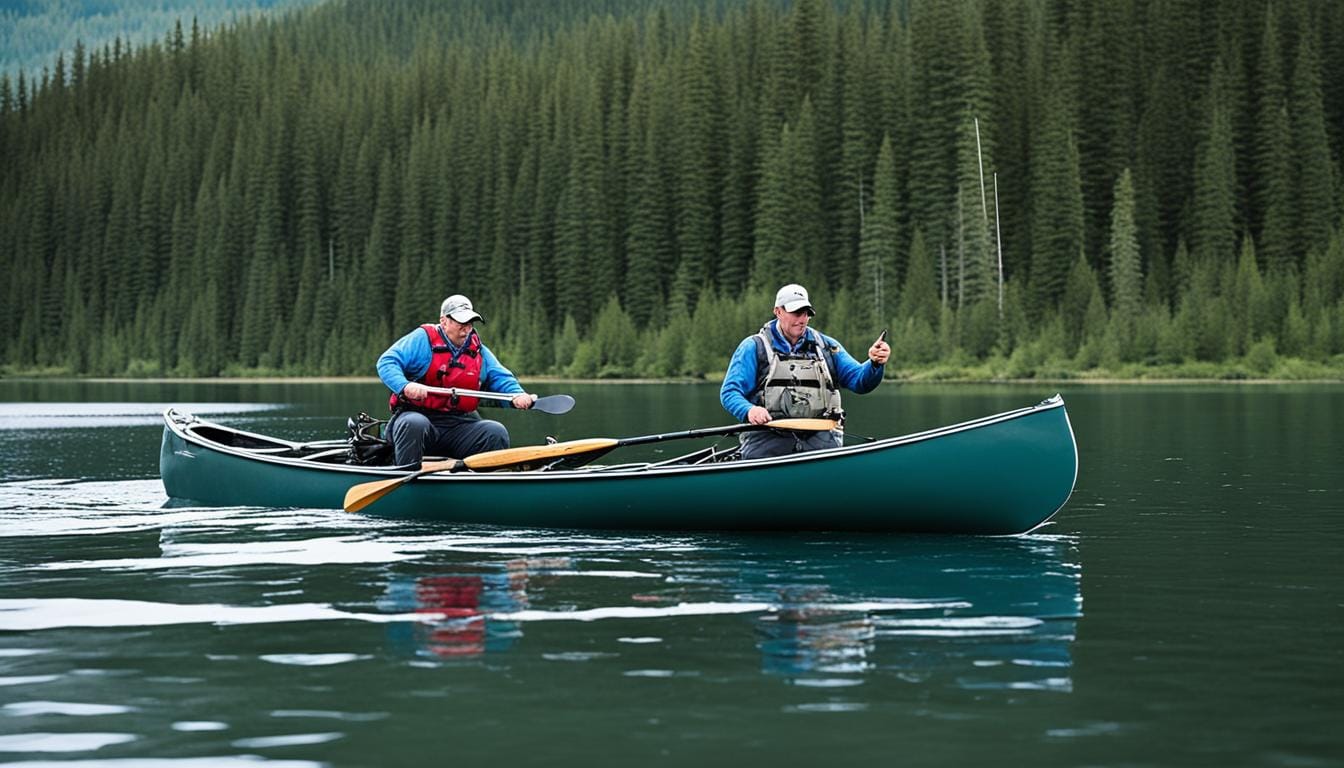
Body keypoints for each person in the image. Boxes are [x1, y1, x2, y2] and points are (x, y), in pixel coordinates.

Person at [719, 283, 890, 460]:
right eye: (796, 313)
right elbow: (730, 392)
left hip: (821, 441)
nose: (802, 319)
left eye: (806, 313)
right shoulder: (754, 347)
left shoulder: (827, 346)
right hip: (767, 441)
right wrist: (749, 410)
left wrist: (875, 364)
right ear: (778, 312)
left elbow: (860, 382)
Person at [377, 294, 536, 467]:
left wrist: (517, 395)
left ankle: (483, 486)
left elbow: (501, 378)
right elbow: (387, 362)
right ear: (444, 321)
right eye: (461, 323)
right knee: (415, 423)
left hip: (458, 424)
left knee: (495, 431)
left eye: (469, 323)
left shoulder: (478, 351)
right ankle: (407, 477)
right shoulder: (422, 340)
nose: (467, 329)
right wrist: (405, 386)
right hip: (417, 418)